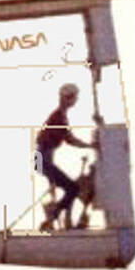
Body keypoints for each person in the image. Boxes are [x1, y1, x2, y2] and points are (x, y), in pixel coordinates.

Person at [36, 82, 96, 230]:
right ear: (70, 99)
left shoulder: (58, 116)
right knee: (73, 188)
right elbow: (70, 140)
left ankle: (53, 216)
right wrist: (90, 145)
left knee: (69, 188)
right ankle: (53, 214)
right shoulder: (59, 118)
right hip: (44, 160)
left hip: (43, 160)